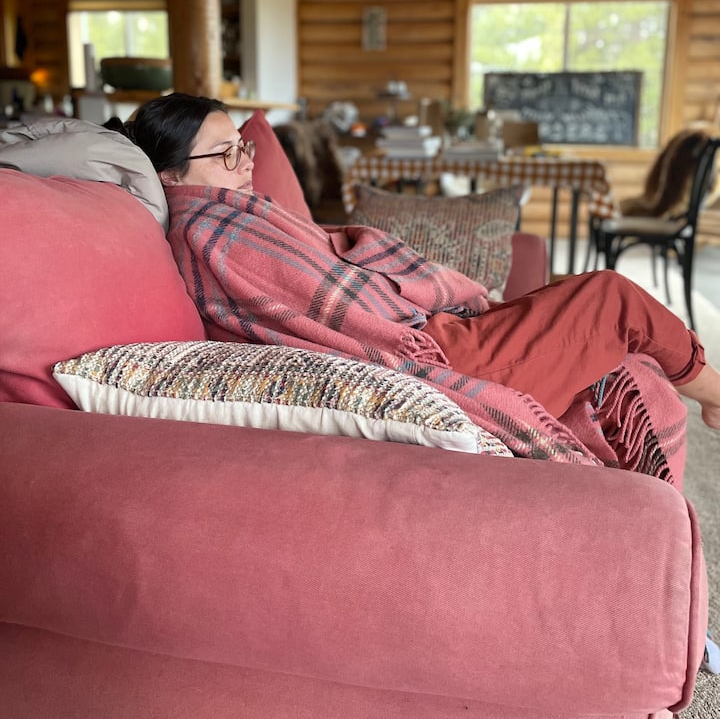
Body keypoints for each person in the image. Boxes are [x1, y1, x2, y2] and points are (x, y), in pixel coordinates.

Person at [116, 93, 720, 479]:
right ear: (170, 173)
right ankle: (715, 395)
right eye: (227, 153)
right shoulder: (214, 228)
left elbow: (332, 266)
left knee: (576, 298)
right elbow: (335, 308)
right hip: (431, 349)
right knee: (611, 297)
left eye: (245, 147)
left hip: (438, 332)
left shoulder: (229, 209)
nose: (246, 162)